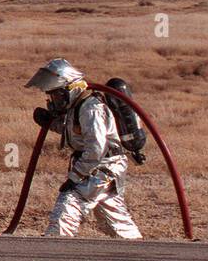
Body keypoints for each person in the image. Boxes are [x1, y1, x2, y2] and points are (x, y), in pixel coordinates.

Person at [26, 58, 141, 239]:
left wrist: (74, 177)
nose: (53, 100)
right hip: (102, 166)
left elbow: (96, 148)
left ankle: (55, 247)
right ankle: (137, 252)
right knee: (115, 219)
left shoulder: (91, 108)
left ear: (68, 90)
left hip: (102, 167)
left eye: (55, 95)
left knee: (69, 203)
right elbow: (76, 134)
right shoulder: (78, 106)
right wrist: (51, 123)